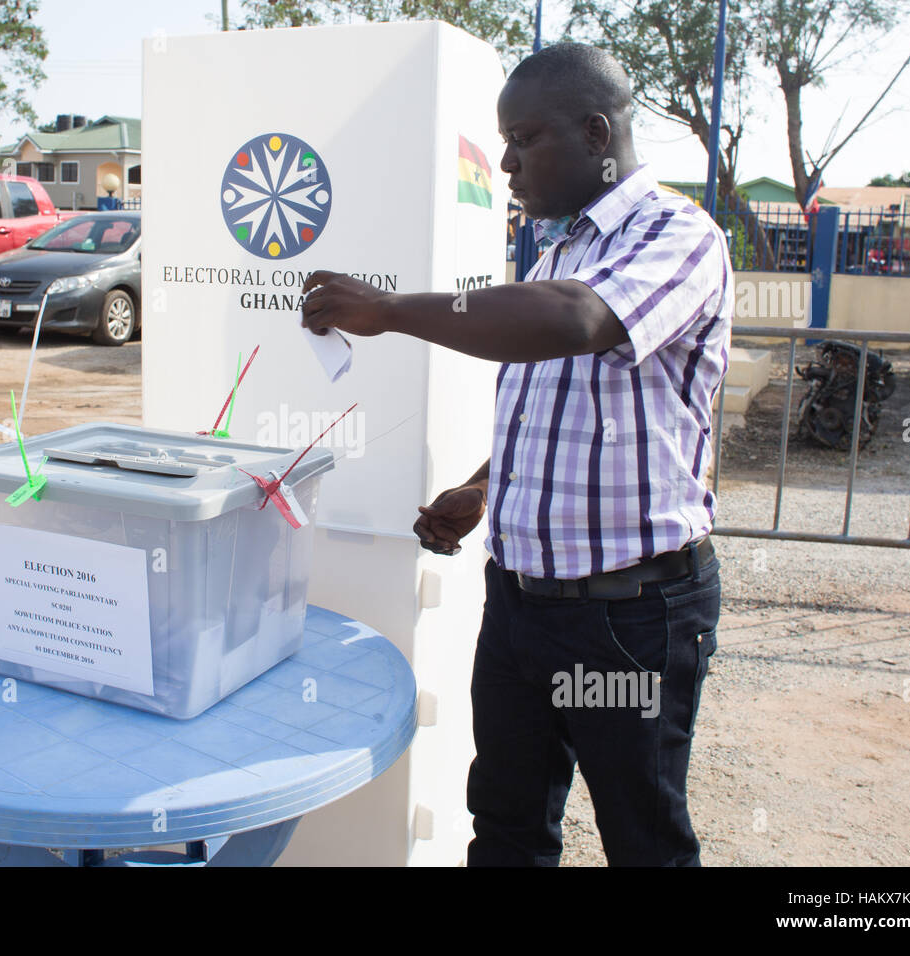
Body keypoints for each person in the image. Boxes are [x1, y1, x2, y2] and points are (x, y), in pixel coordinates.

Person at [300, 42, 733, 866]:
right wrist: (481, 486)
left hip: (628, 616)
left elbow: (575, 322)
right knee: (505, 825)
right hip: (521, 603)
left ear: (597, 133)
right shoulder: (560, 245)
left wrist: (390, 310)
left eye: (524, 139)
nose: (504, 164)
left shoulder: (680, 236)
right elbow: (570, 405)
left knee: (642, 837)